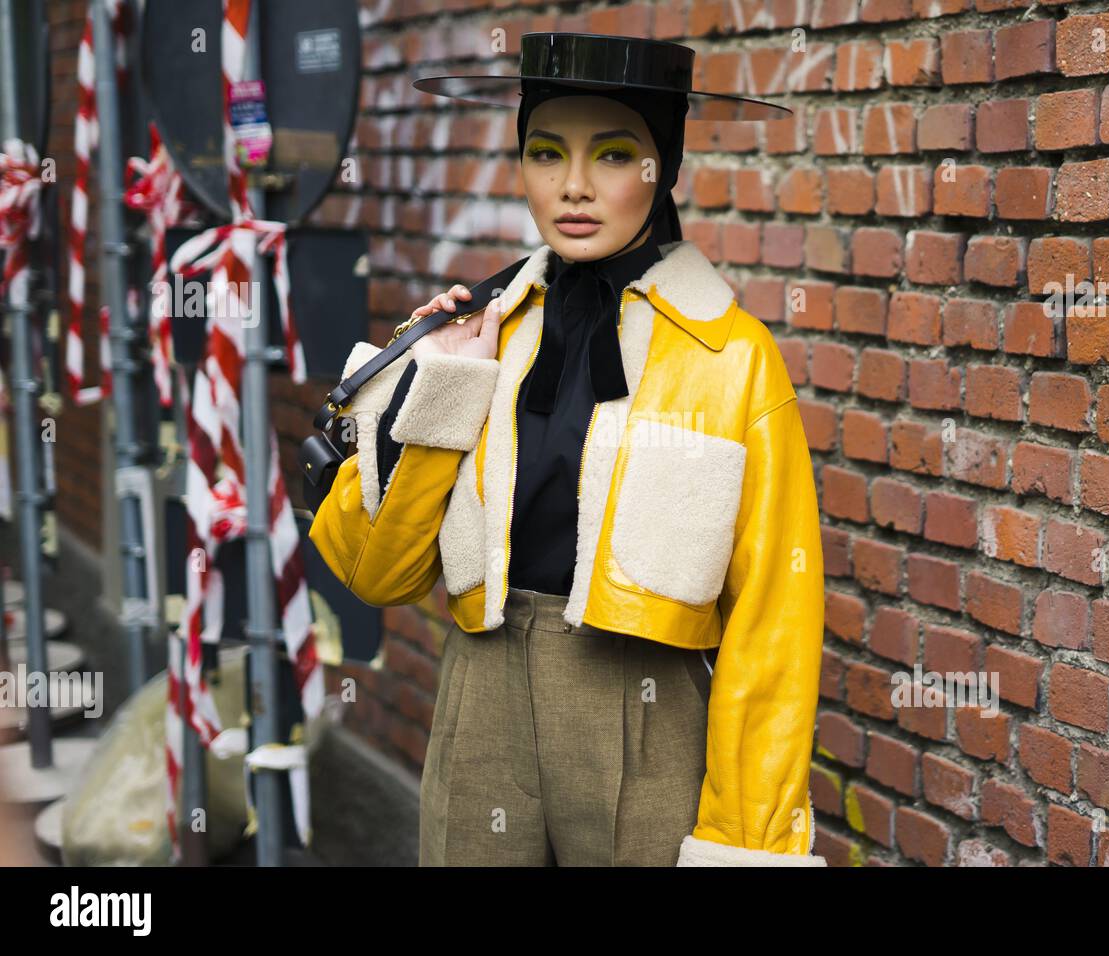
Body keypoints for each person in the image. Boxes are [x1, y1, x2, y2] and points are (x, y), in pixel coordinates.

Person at [309, 33, 827, 866]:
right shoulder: (475, 326)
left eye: (615, 153)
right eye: (545, 153)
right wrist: (439, 389)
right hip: (483, 698)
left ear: (665, 169)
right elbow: (378, 574)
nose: (574, 186)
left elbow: (774, 623)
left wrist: (745, 840)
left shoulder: (730, 358)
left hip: (641, 707)